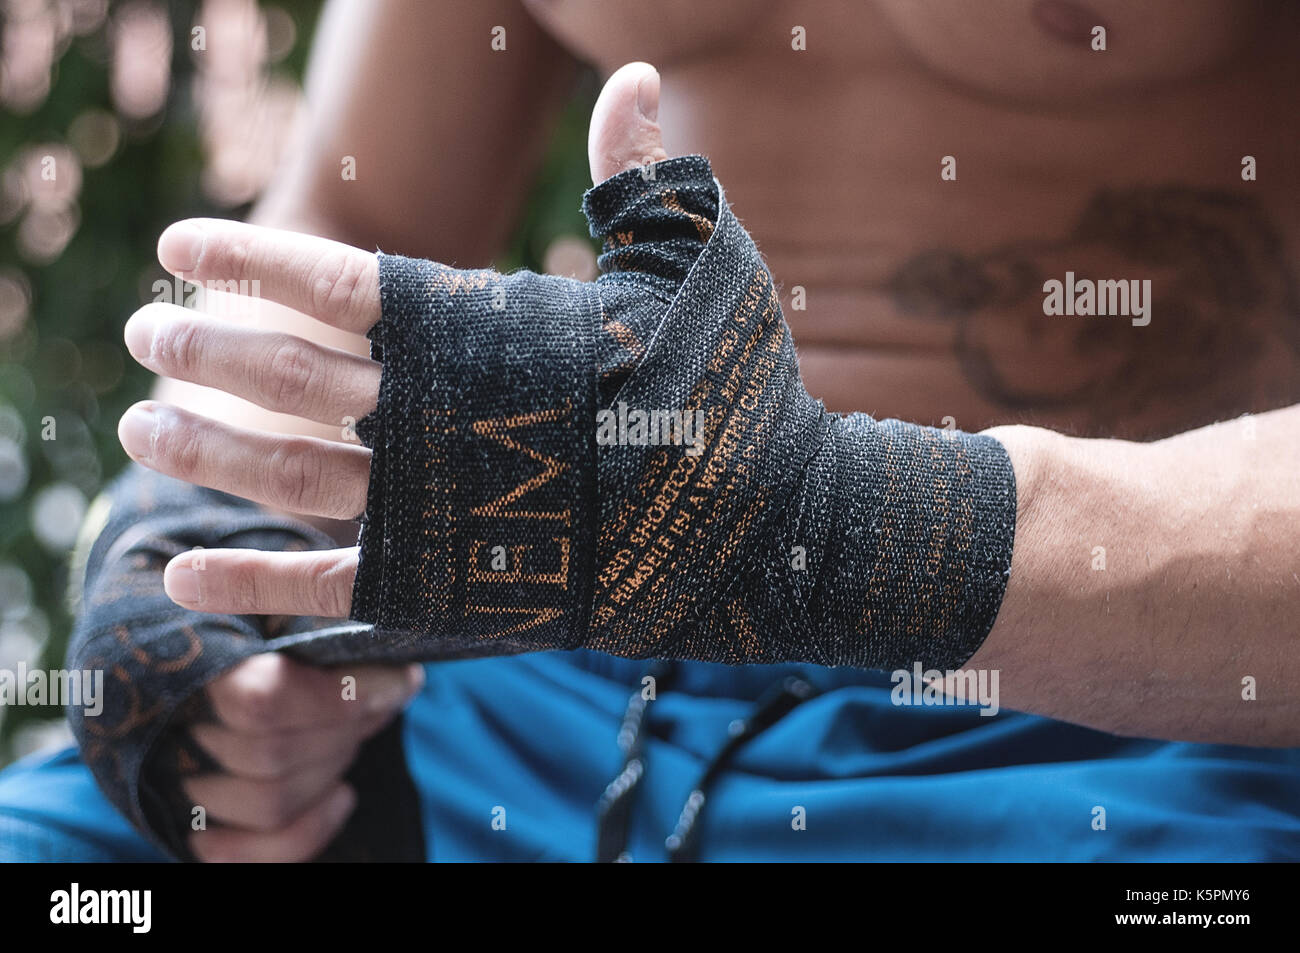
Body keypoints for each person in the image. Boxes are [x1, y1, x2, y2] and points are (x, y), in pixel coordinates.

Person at [1, 0, 1297, 862]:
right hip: (547, 657)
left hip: (1100, 703)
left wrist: (848, 533)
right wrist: (177, 547)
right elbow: (353, 212)